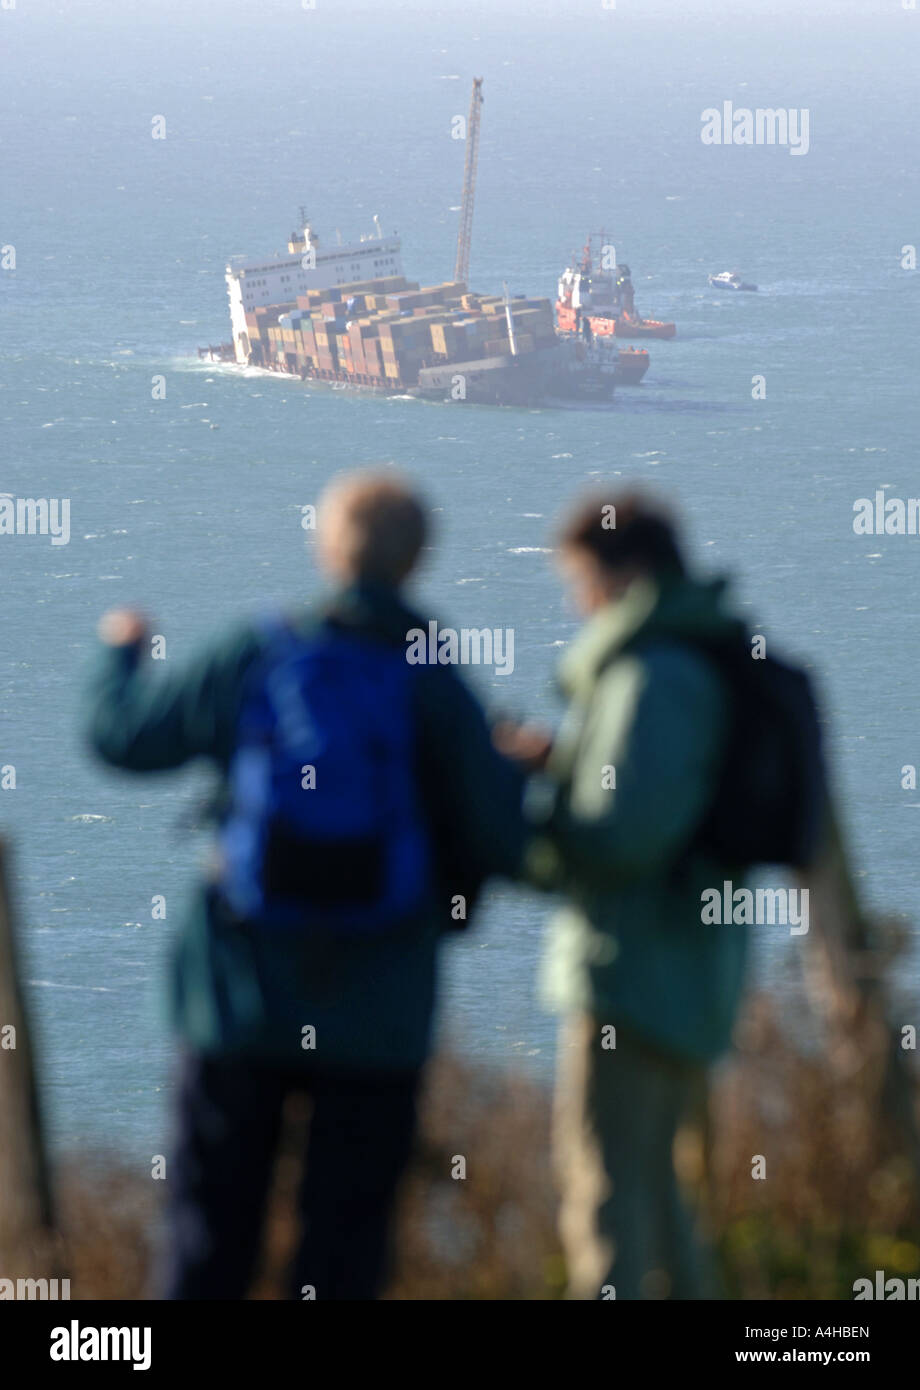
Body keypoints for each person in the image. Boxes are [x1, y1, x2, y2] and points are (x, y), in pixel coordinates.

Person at [84, 470, 524, 1300]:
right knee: (344, 1251)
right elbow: (505, 839)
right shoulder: (430, 672)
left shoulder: (260, 650)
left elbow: (123, 738)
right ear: (418, 558)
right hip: (378, 1009)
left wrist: (117, 653)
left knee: (206, 1237)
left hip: (237, 996)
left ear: (326, 545)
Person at [498, 490, 748, 1300]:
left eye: (581, 580)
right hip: (680, 970)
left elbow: (618, 838)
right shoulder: (691, 657)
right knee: (660, 1195)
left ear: (625, 572)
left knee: (605, 1191)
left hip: (633, 973)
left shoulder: (651, 674)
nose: (578, 601)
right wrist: (557, 766)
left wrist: (522, 825)